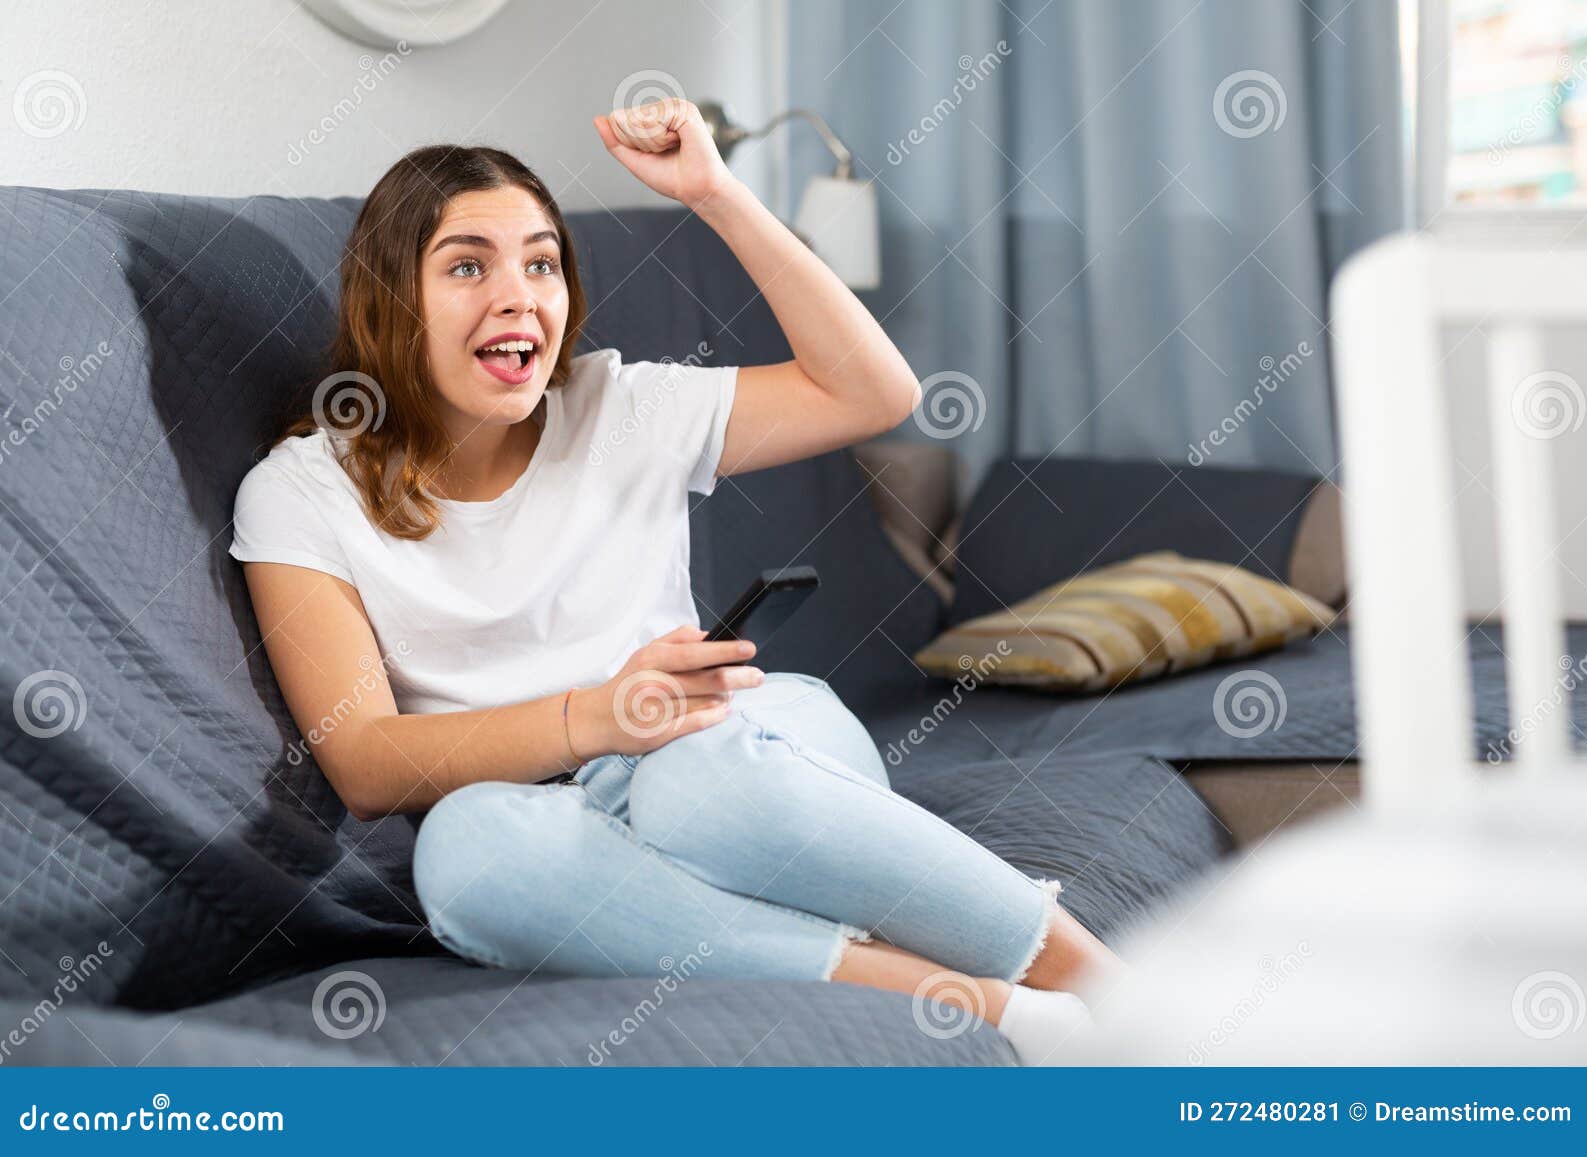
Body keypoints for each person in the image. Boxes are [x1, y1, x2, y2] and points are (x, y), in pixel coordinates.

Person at [229, 99, 1117, 1065]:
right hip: (545, 811)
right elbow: (362, 760)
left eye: (541, 261)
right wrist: (602, 716)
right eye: (468, 265)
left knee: (691, 790)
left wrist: (716, 194)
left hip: (733, 752)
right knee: (461, 853)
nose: (521, 294)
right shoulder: (300, 492)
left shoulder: (620, 406)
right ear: (387, 300)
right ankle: (990, 1008)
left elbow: (877, 392)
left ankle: (1108, 985)